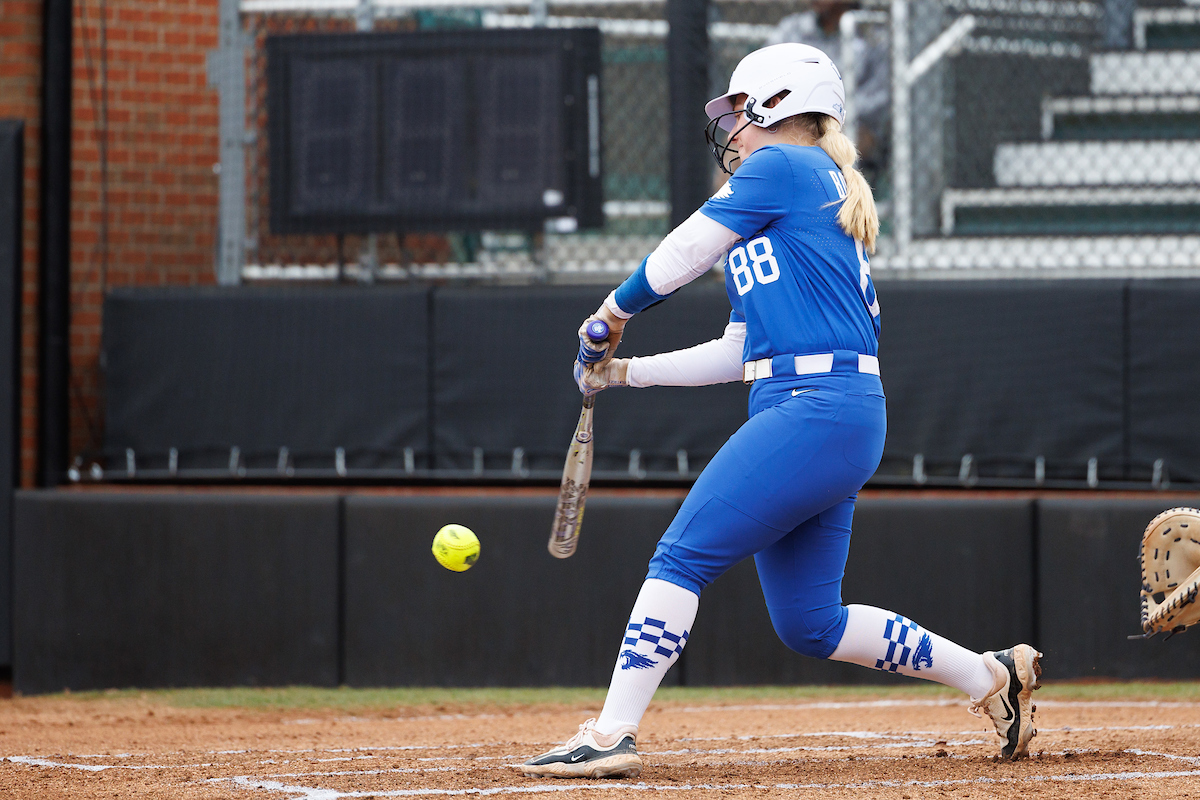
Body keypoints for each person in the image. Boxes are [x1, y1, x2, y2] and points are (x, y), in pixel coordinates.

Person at [514, 43, 1042, 780]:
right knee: (810, 623)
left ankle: (611, 733)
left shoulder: (785, 167)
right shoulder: (792, 201)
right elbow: (739, 352)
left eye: (738, 110)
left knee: (679, 557)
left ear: (776, 104)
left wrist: (613, 311)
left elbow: (687, 247)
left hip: (814, 409)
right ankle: (990, 677)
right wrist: (625, 375)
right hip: (830, 412)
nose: (730, 128)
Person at [769, 1, 890, 184]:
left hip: (849, 123)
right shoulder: (792, 29)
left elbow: (878, 97)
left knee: (848, 138)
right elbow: (767, 77)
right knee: (742, 134)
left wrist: (827, 113)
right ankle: (729, 208)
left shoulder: (873, 36)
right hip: (791, 116)